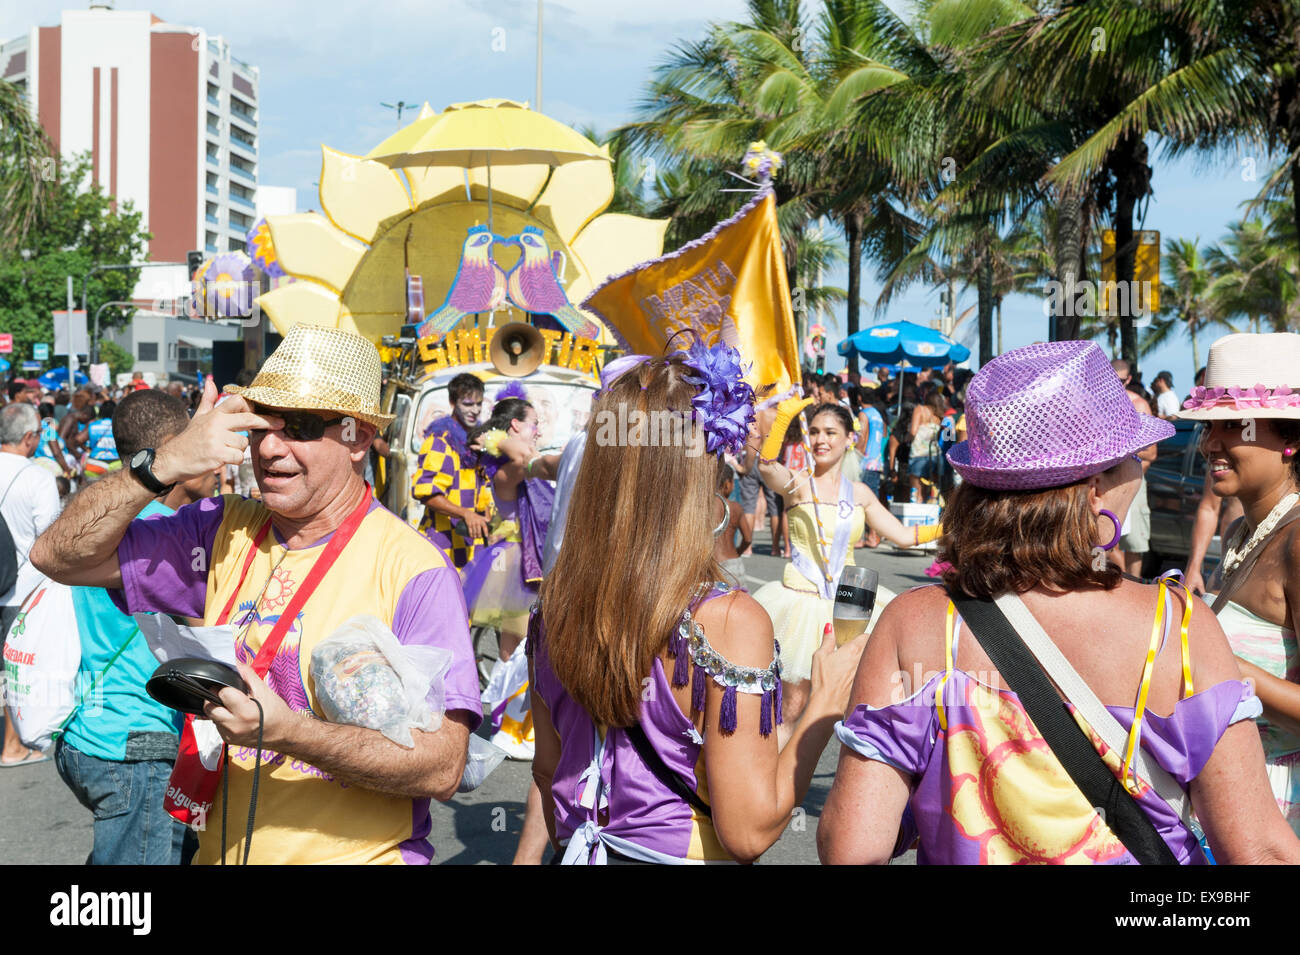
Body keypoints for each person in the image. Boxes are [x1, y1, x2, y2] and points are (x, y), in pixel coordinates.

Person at [819, 340, 1300, 865]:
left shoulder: (915, 624)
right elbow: (1259, 852)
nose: (1141, 470)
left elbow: (851, 849)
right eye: (1132, 457)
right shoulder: (1176, 628)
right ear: (1095, 489)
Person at [32, 325, 481, 865]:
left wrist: (288, 733)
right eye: (258, 425)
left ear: (357, 438)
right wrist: (165, 463)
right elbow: (57, 556)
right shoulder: (220, 532)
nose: (269, 447)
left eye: (301, 426)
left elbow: (441, 766)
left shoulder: (415, 569)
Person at [530, 344, 867, 864]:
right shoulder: (728, 620)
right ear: (694, 477)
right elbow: (749, 831)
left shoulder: (550, 607)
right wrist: (825, 704)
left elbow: (550, 777)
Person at [53, 390, 217, 864]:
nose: (219, 460)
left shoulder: (101, 519)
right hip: (137, 744)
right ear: (173, 445)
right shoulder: (169, 533)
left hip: (88, 729)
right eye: (199, 438)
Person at [1177, 332, 1300, 834]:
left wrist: (1215, 658)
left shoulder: (1297, 543)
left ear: (1291, 437)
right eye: (1209, 427)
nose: (1210, 443)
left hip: (1275, 817)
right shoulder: (1239, 534)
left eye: (1232, 425)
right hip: (1228, 801)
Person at [752, 401, 930, 728]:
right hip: (800, 605)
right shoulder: (797, 482)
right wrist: (784, 418)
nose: (821, 439)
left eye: (831, 433)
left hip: (850, 606)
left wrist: (955, 526)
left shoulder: (860, 493)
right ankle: (779, 778)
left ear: (849, 438)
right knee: (792, 707)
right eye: (816, 432)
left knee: (857, 707)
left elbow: (903, 536)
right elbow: (766, 466)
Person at [0, 402, 61, 767]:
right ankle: (12, 746)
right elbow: (50, 543)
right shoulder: (36, 477)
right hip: (20, 591)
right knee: (15, 669)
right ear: (28, 438)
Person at [411, 372, 493, 568]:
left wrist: (486, 514)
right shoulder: (440, 440)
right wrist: (466, 513)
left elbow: (483, 487)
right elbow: (426, 493)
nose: (475, 410)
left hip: (473, 545)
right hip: (442, 543)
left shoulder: (479, 440)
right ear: (452, 402)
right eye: (468, 404)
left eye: (478, 404)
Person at [1111, 358, 1157, 575]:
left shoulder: (1138, 405)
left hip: (1133, 479)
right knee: (1104, 540)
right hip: (1108, 480)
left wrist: (1120, 449)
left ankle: (1133, 585)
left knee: (1135, 544)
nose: (1114, 384)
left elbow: (1151, 452)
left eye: (1119, 380)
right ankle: (1115, 585)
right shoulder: (1097, 403)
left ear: (1128, 379)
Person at [712, 462, 749, 588]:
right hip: (733, 563)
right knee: (739, 603)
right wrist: (738, 552)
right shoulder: (735, 507)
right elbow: (748, 539)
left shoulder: (703, 507)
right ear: (727, 484)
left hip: (711, 565)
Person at [907, 388, 945, 503]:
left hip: (918, 454)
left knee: (916, 491)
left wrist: (907, 439)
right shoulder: (938, 417)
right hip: (935, 456)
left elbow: (913, 432)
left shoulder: (920, 409)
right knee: (931, 491)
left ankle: (917, 515)